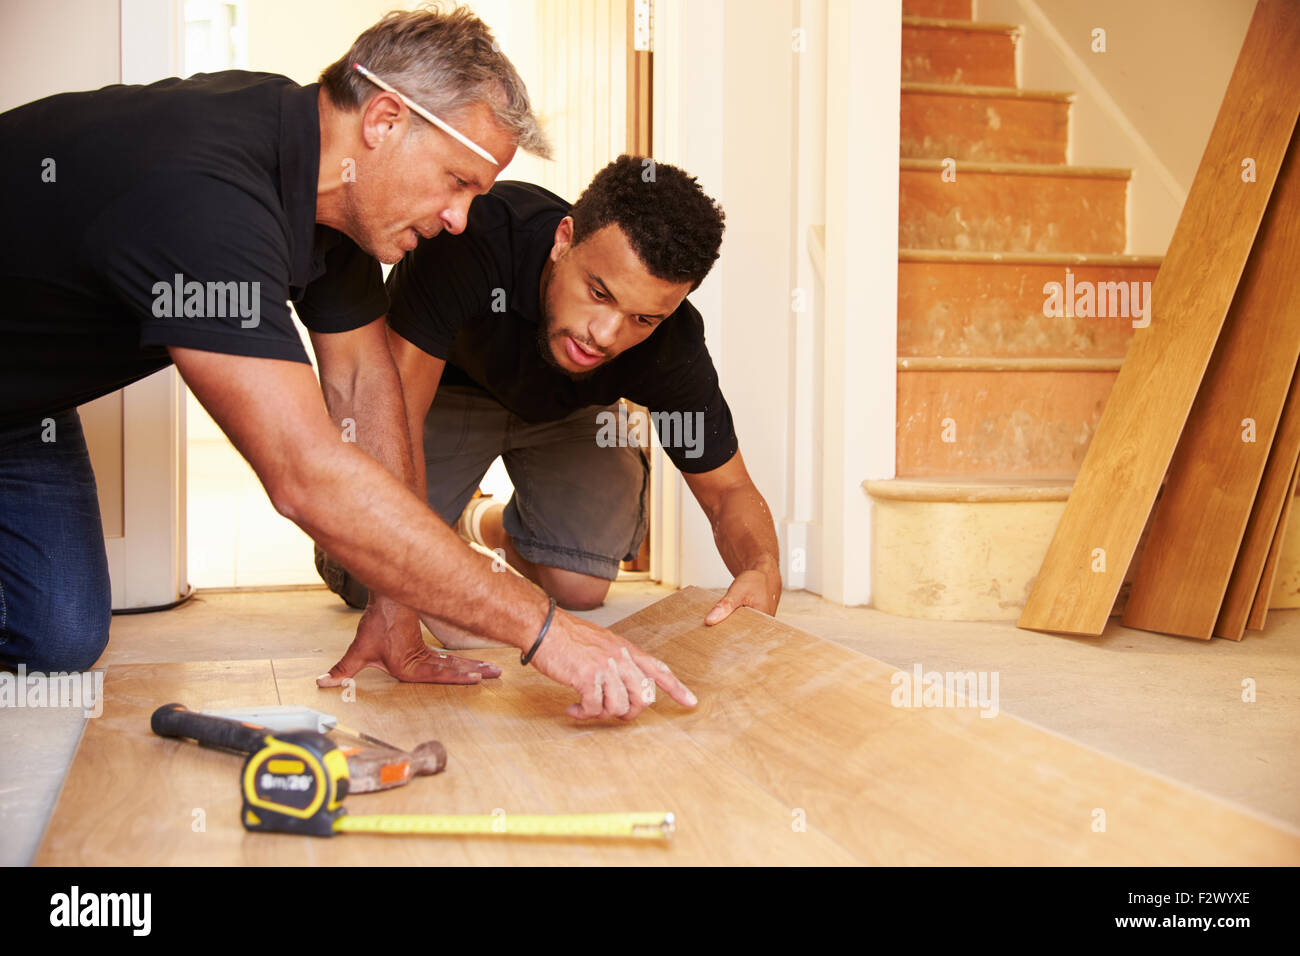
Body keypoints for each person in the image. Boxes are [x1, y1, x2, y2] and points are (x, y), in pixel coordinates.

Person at [0, 6, 694, 722]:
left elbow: (365, 386)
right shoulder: (209, 195)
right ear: (386, 120)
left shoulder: (328, 201)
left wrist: (399, 605)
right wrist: (543, 628)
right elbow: (307, 474)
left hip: (24, 413)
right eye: (457, 181)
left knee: (57, 638)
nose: (460, 219)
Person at [316, 157, 782, 656]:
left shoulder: (672, 344)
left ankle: (476, 521)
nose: (605, 335)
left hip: (568, 414)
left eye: (642, 318)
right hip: (448, 394)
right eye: (598, 293)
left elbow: (729, 490)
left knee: (578, 587)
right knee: (369, 580)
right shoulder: (474, 238)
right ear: (564, 239)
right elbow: (393, 419)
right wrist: (444, 589)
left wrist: (761, 569)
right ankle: (437, 533)